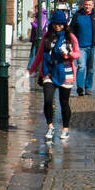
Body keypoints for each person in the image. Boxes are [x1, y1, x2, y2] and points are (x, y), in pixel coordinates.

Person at [29, 9, 80, 142]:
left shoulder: (70, 37)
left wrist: (68, 55)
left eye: (60, 24)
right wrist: (31, 69)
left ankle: (65, 128)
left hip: (66, 71)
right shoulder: (47, 36)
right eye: (55, 24)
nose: (57, 26)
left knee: (64, 102)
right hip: (49, 71)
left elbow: (77, 53)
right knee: (48, 100)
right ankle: (50, 126)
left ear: (64, 24)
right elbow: (40, 54)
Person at [69, 0, 95, 97]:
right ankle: (80, 87)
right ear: (83, 5)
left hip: (93, 46)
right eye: (86, 4)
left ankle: (88, 87)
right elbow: (71, 29)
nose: (87, 6)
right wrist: (72, 41)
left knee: (91, 68)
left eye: (89, 5)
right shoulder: (77, 16)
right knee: (81, 66)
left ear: (93, 5)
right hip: (80, 46)